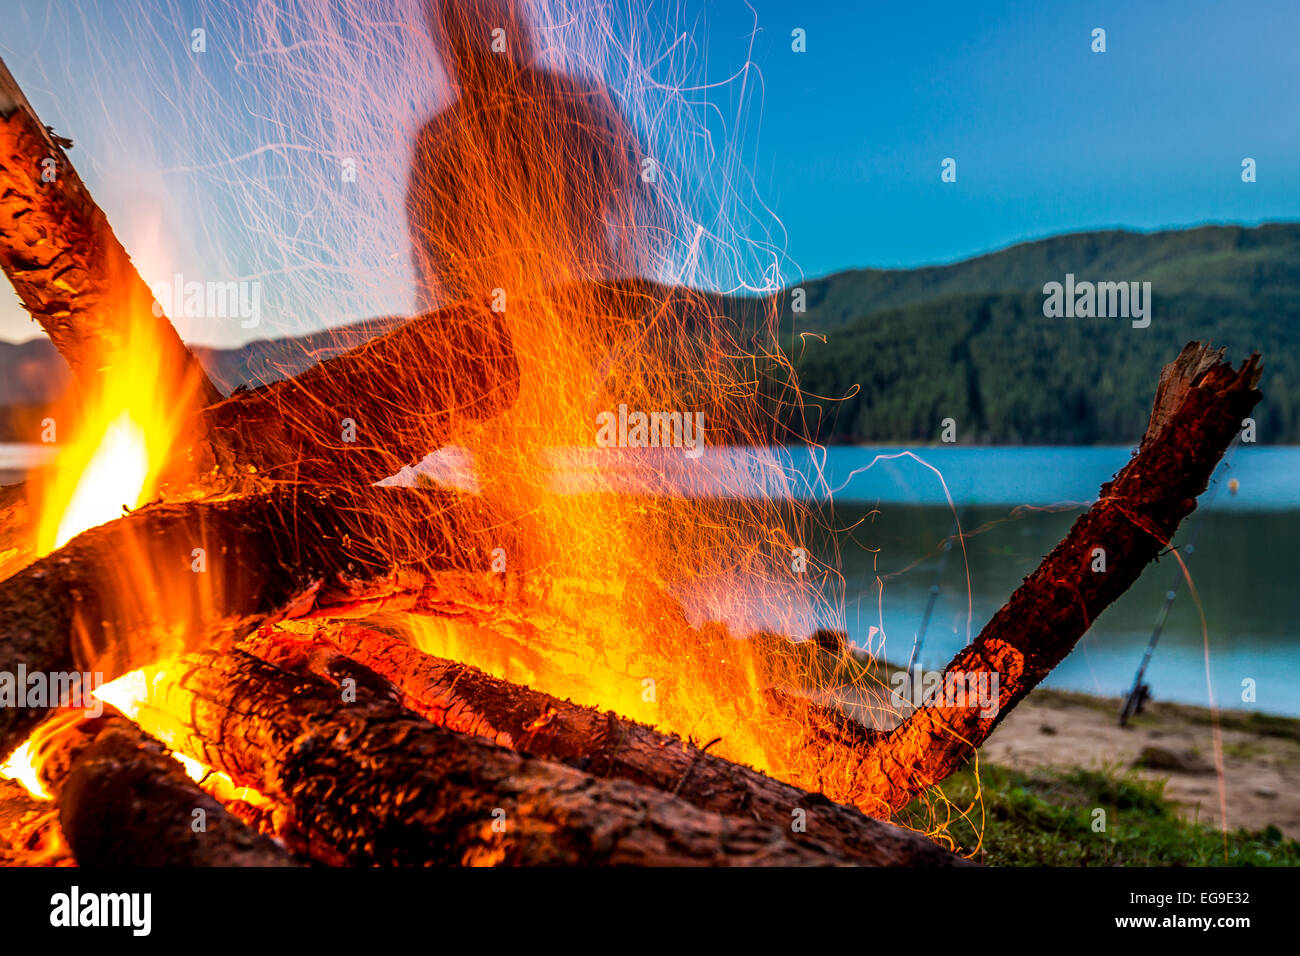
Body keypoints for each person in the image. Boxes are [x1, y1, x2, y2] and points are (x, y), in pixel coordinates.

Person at [407, 0, 649, 311]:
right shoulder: (435, 146)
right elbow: (430, 276)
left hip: (581, 328)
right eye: (454, 21)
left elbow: (648, 211)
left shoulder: (580, 104)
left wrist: (617, 303)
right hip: (496, 345)